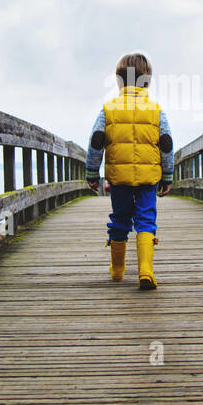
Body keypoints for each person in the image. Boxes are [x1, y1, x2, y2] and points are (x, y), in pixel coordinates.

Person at [85, 53, 174, 289]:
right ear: (148, 82)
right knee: (146, 220)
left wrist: (92, 173)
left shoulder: (108, 110)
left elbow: (96, 142)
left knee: (120, 219)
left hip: (119, 180)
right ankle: (146, 270)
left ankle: (117, 270)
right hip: (148, 180)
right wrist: (168, 176)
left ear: (118, 81)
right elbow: (166, 145)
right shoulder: (157, 111)